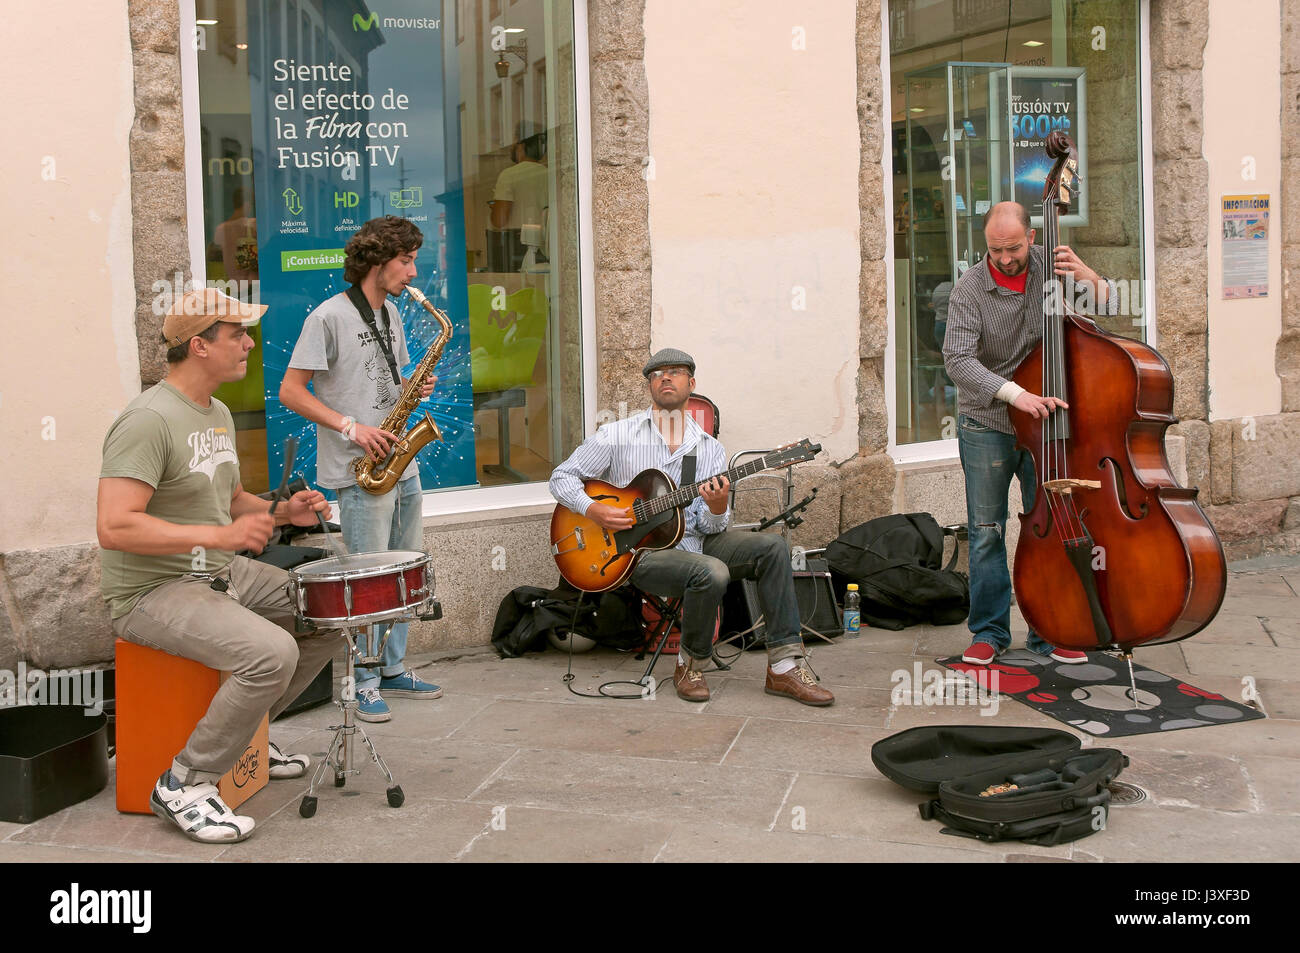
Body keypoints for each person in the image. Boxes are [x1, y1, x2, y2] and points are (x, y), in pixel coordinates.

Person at [98, 287, 338, 844]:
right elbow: (115, 525)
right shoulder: (147, 420)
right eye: (237, 335)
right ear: (200, 345)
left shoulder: (219, 411)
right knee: (271, 652)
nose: (249, 344)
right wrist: (221, 535)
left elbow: (228, 503)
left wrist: (283, 513)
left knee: (328, 608)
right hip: (153, 590)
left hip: (220, 570)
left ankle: (248, 737)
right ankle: (184, 782)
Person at [549, 348, 834, 706]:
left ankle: (784, 667)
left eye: (676, 372)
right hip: (636, 555)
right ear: (650, 386)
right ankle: (690, 664)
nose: (666, 378)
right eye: (657, 374)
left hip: (694, 543)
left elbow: (707, 525)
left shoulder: (708, 449)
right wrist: (593, 510)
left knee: (773, 548)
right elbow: (561, 477)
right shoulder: (617, 435)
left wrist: (717, 507)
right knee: (711, 572)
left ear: (691, 383)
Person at [280, 216, 441, 723]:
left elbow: (384, 383)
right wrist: (350, 427)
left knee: (405, 566)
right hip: (360, 467)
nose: (413, 272)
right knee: (369, 574)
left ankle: (392, 667)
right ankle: (363, 681)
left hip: (398, 457)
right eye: (406, 260)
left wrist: (414, 390)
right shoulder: (327, 317)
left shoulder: (391, 313)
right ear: (376, 260)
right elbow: (291, 390)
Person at [942, 201, 1110, 666]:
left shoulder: (1052, 271)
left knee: (1052, 528)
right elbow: (957, 360)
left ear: (1031, 238)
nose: (1004, 258)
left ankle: (1049, 629)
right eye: (995, 250)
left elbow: (1109, 309)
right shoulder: (969, 289)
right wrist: (1016, 395)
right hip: (989, 423)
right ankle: (989, 633)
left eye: (1012, 248)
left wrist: (1088, 277)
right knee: (986, 531)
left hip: (1046, 425)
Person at [488, 121, 548, 271]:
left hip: (516, 245)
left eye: (513, 141)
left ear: (521, 145)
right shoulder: (549, 173)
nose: (511, 147)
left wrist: (494, 208)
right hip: (547, 242)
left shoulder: (509, 175)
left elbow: (499, 220)